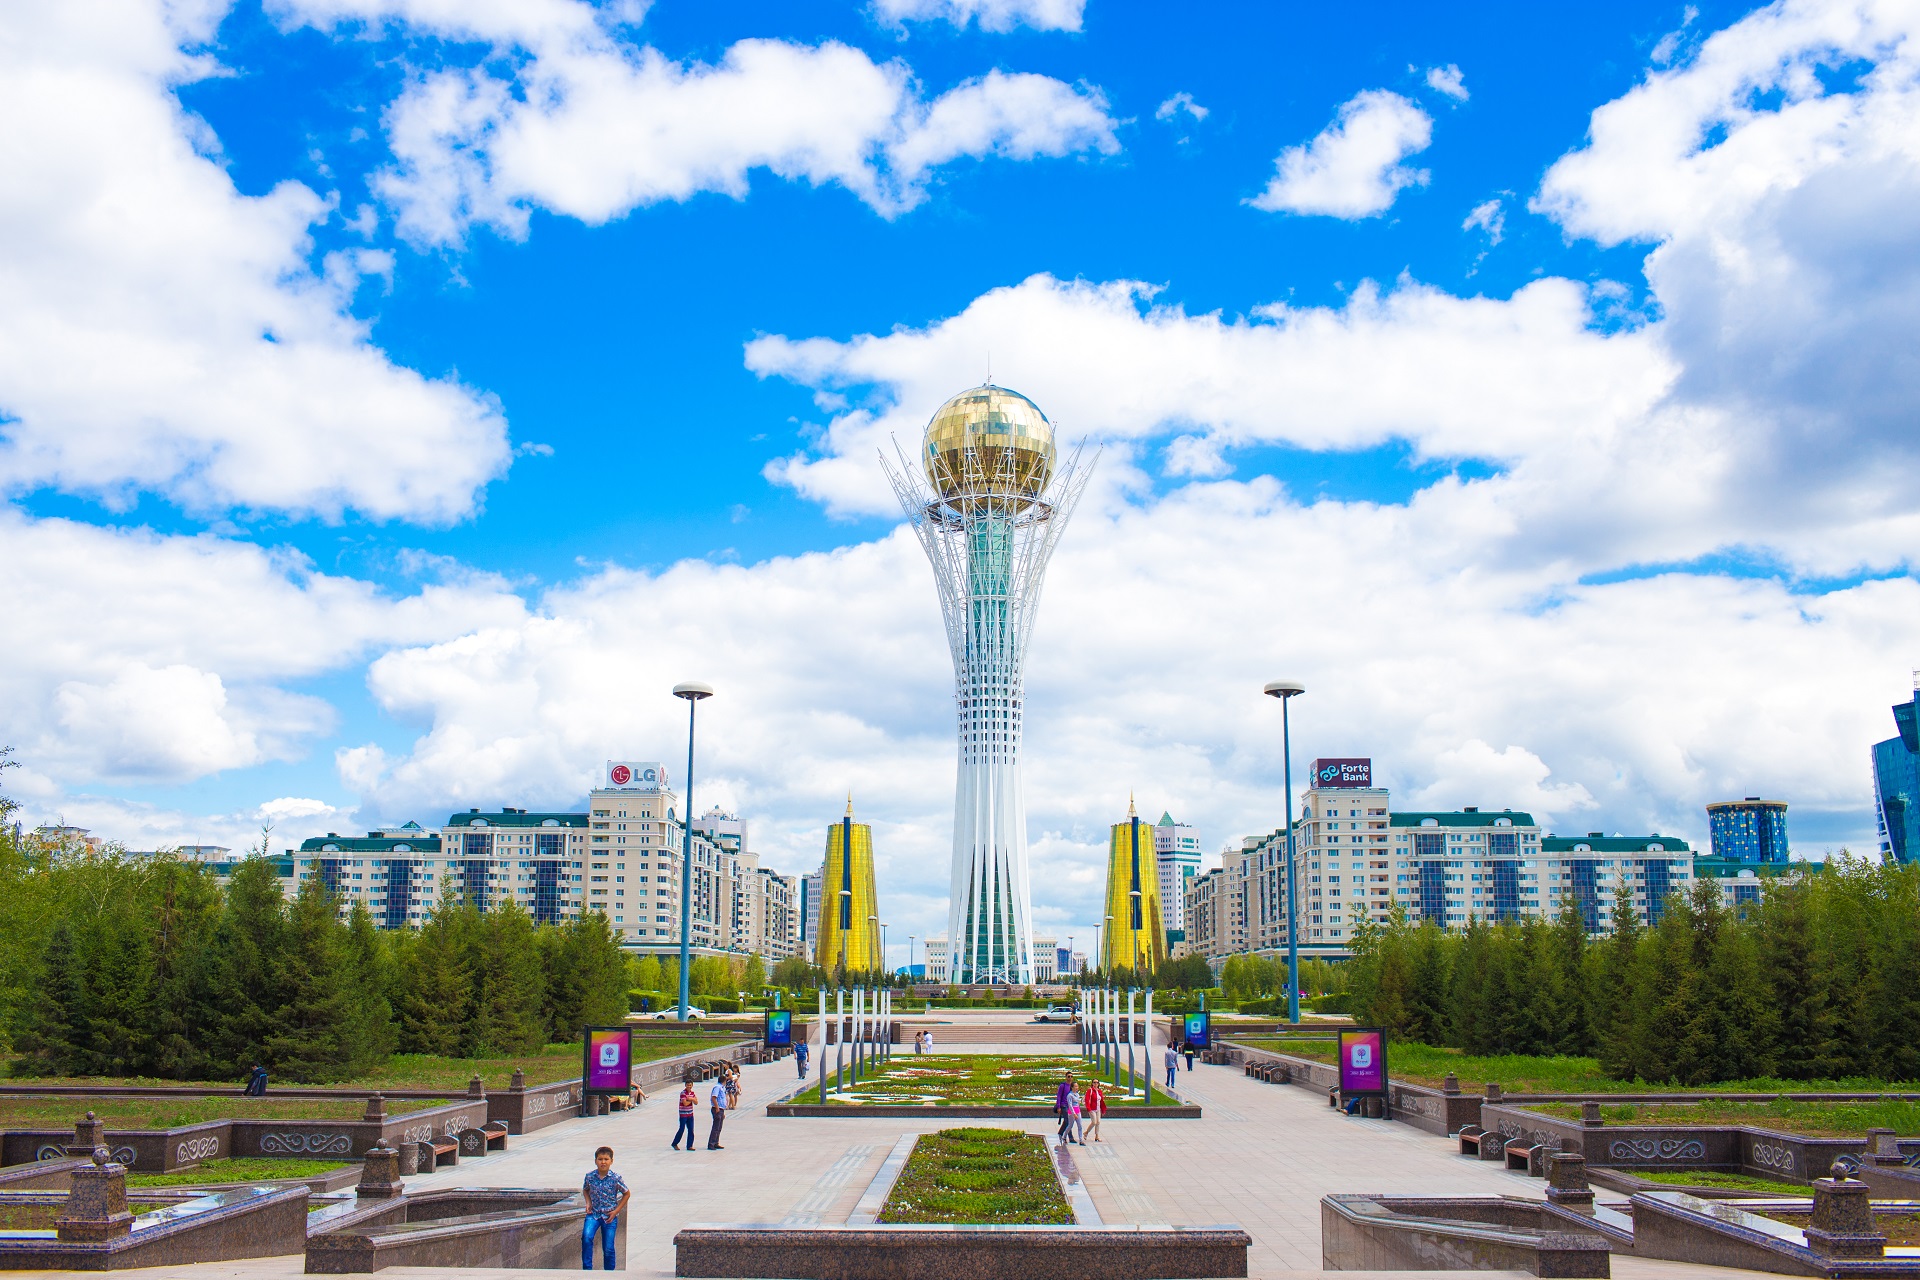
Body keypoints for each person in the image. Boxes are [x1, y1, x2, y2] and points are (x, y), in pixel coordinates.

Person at [580, 1145, 629, 1270]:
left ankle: (609, 1273)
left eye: (606, 1159)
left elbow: (626, 1193)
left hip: (609, 1216)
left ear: (611, 1161)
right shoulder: (590, 1176)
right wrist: (588, 1202)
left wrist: (616, 1211)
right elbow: (585, 1190)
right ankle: (587, 1270)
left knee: (608, 1248)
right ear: (595, 1161)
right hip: (594, 1214)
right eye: (600, 1159)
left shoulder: (615, 1178)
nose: (603, 1162)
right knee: (586, 1237)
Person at [671, 1082, 697, 1151]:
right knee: (681, 1129)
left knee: (691, 1130)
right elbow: (685, 1103)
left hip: (690, 1114)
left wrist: (691, 1099)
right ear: (685, 1085)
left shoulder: (692, 1093)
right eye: (688, 1085)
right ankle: (675, 1143)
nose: (689, 1086)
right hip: (683, 1114)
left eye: (690, 1085)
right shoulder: (683, 1093)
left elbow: (696, 1102)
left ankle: (689, 1146)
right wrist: (692, 1099)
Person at [707, 1073, 730, 1150]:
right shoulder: (717, 1087)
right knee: (716, 1127)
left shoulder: (722, 1088)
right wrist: (717, 1108)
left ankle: (716, 1142)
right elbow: (714, 1097)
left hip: (721, 1109)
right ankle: (711, 1144)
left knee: (719, 1127)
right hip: (717, 1108)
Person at [1083, 1079, 1105, 1143]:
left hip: (1098, 1109)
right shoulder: (1090, 1091)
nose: (1095, 1084)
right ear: (1092, 1083)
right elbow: (1087, 1100)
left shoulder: (1099, 1091)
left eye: (1097, 1082)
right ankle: (1086, 1132)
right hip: (1092, 1109)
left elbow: (1101, 1101)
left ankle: (1097, 1136)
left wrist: (1103, 1110)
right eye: (1094, 1082)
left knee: (1098, 1122)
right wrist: (1088, 1108)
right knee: (1094, 1122)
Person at [1053, 1072, 1075, 1137]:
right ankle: (1070, 1137)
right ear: (1066, 1077)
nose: (1070, 1078)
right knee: (1068, 1121)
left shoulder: (1073, 1086)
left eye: (1071, 1076)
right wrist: (1058, 1107)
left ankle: (1060, 1133)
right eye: (1068, 1076)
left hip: (1070, 1106)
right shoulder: (1063, 1085)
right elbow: (1059, 1096)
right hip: (1064, 1105)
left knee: (1066, 1121)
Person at [1063, 1080, 1084, 1145]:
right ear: (1072, 1087)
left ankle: (1081, 1140)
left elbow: (1078, 1103)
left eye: (1077, 1086)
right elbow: (1070, 1105)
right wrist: (1074, 1113)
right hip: (1072, 1112)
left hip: (1078, 1111)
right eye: (1075, 1086)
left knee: (1080, 1125)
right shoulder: (1069, 1095)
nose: (1076, 1087)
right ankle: (1064, 1136)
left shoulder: (1077, 1094)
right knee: (1070, 1125)